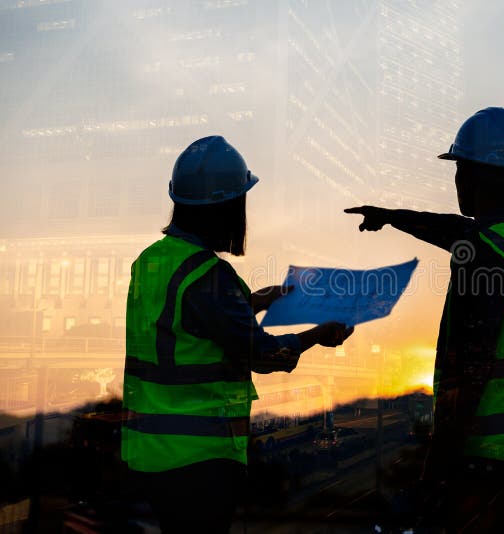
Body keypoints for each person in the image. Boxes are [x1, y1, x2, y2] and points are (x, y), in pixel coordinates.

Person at [346, 108, 504, 531]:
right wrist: (392, 216)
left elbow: (464, 383)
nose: (457, 180)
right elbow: (459, 231)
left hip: (492, 459)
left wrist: (431, 479)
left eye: (462, 169)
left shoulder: (482, 259)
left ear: (478, 176)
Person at [122, 135, 353, 533]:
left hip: (148, 451)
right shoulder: (211, 276)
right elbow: (263, 356)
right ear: (224, 208)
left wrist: (255, 300)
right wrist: (316, 335)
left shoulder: (152, 262)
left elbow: (182, 328)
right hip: (199, 463)